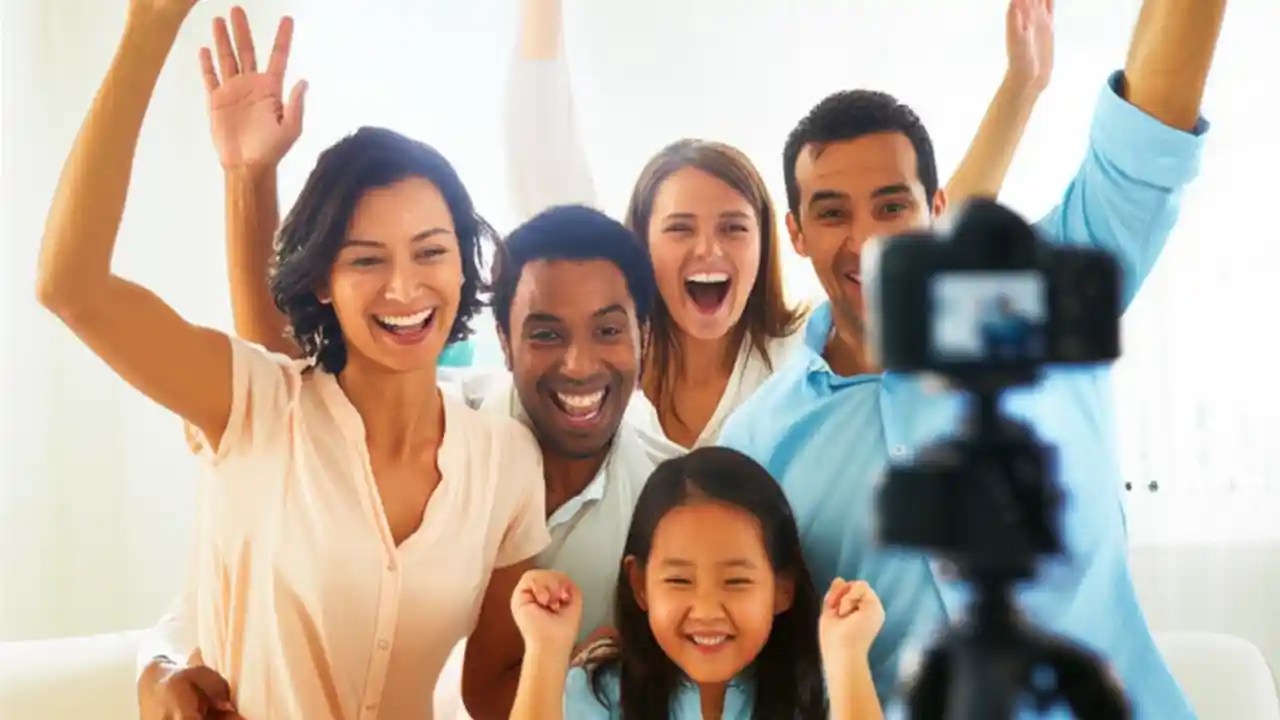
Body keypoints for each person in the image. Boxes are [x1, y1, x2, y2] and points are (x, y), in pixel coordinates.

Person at [132, 14, 683, 716]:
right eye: (544, 333)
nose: (578, 363)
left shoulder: (675, 492)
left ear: (643, 334)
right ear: (502, 340)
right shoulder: (451, 422)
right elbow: (275, 399)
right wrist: (249, 179)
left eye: (608, 330)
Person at [37, 4, 547, 719]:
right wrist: (145, 31)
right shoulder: (253, 401)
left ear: (464, 265)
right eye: (366, 260)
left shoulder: (505, 461)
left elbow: (494, 691)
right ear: (321, 282)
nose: (405, 288)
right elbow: (72, 287)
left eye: (432, 251)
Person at [717, 0, 1224, 716]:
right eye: (833, 213)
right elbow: (748, 654)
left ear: (936, 209)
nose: (868, 242)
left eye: (892, 206)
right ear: (796, 233)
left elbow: (1144, 147)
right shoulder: (756, 444)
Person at [504, 0, 1056, 449]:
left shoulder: (801, 362)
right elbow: (542, 158)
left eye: (733, 228)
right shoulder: (603, 358)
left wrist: (1022, 87)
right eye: (679, 228)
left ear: (776, 240)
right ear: (640, 245)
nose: (708, 249)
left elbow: (932, 234)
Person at [508, 447, 887, 719]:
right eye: (678, 579)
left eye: (736, 581)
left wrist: (848, 657)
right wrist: (546, 650)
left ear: (782, 589)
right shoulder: (602, 692)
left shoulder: (819, 690)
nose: (706, 610)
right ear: (640, 584)